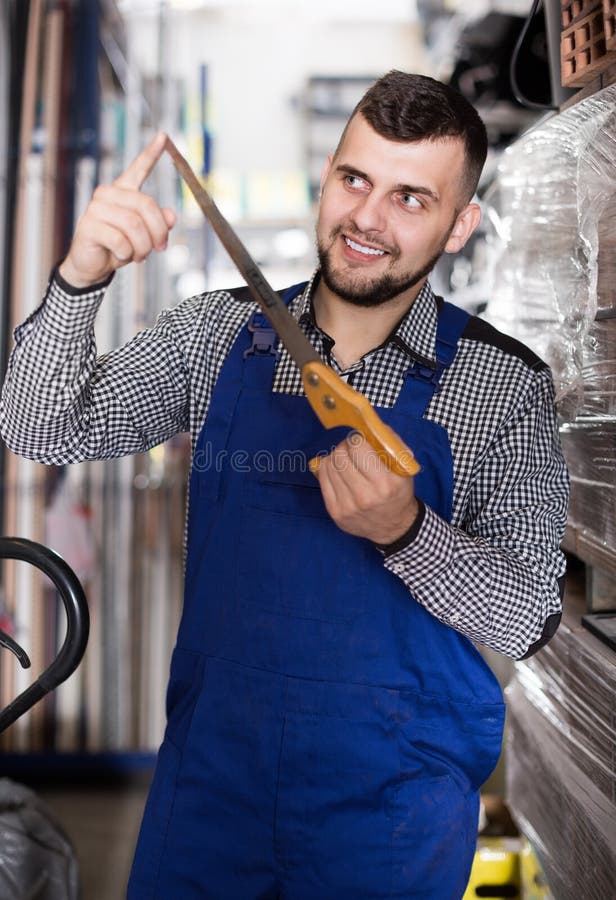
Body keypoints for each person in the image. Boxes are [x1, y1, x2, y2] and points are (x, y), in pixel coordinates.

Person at [0, 71, 568, 898]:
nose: (368, 219)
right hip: (210, 795)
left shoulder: (502, 385)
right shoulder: (215, 334)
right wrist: (81, 275)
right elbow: (38, 427)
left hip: (392, 817)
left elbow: (526, 617)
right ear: (327, 176)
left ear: (460, 226)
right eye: (355, 180)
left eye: (412, 198)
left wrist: (409, 532)